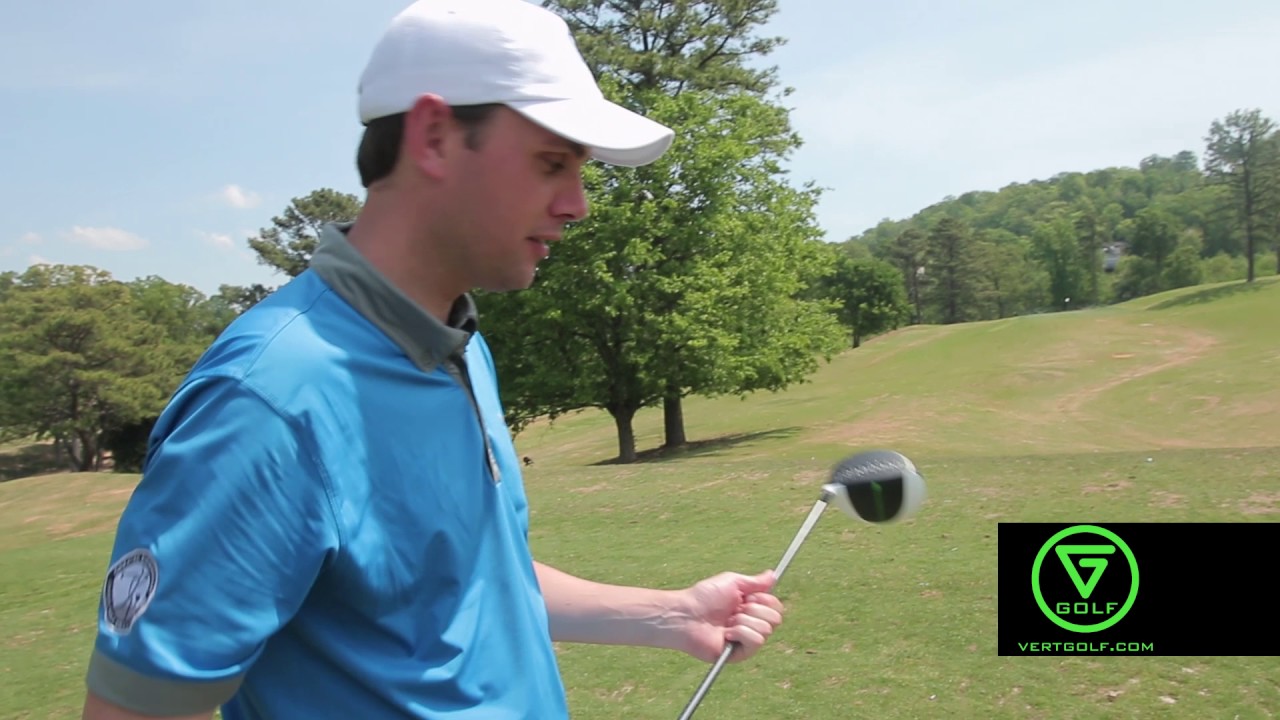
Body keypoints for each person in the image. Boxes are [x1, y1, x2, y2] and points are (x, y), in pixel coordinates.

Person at [79, 1, 785, 718]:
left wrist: (669, 615)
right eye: (551, 163)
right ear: (435, 136)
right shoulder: (268, 401)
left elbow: (464, 582)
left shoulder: (459, 347)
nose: (577, 204)